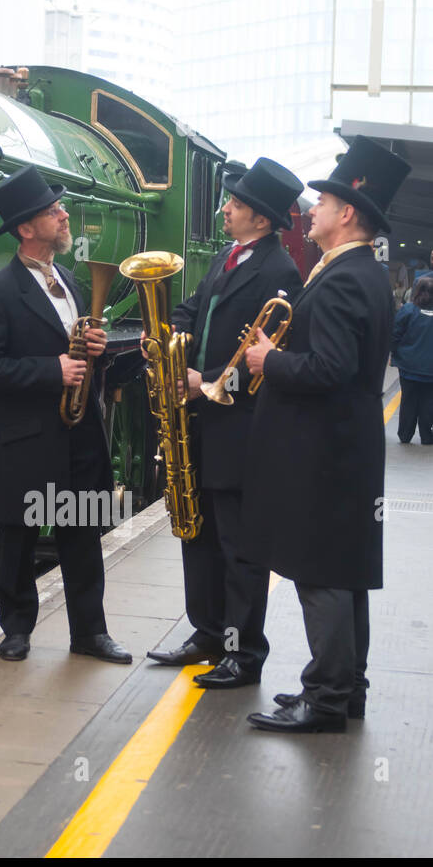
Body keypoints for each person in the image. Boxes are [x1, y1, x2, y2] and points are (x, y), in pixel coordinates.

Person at [242, 135, 411, 733]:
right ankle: (344, 688)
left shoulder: (342, 279)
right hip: (345, 449)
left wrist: (268, 361)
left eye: (323, 201)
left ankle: (327, 699)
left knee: (320, 573)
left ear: (348, 215)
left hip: (325, 452)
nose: (310, 209)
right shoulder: (359, 271)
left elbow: (330, 369)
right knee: (343, 571)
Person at [145, 159, 304, 690]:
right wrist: (167, 337)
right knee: (198, 532)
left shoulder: (280, 272)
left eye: (233, 204)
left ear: (260, 218)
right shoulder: (227, 257)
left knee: (240, 547)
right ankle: (207, 632)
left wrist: (204, 381)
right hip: (203, 422)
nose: (224, 210)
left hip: (241, 427)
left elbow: (268, 356)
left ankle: (244, 653)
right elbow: (193, 310)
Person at [0, 166, 131, 665]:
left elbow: (77, 357)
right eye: (52, 211)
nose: (64, 216)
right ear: (26, 229)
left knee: (82, 536)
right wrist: (50, 370)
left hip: (78, 436)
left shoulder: (74, 284)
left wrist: (93, 352)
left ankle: (90, 633)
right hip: (28, 438)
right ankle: (16, 630)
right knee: (17, 534)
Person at [392, 275, 433, 444]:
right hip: (430, 369)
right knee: (428, 401)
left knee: (408, 400)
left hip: (408, 367)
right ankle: (426, 435)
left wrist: (394, 355)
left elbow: (395, 335)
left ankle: (405, 434)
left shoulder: (408, 310)